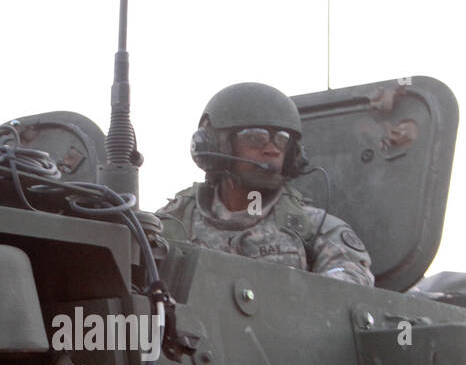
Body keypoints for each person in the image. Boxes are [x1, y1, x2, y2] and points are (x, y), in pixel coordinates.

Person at [155, 82, 373, 286]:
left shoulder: (316, 230)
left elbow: (346, 292)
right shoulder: (169, 225)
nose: (272, 149)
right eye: (255, 137)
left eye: (281, 139)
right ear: (217, 146)